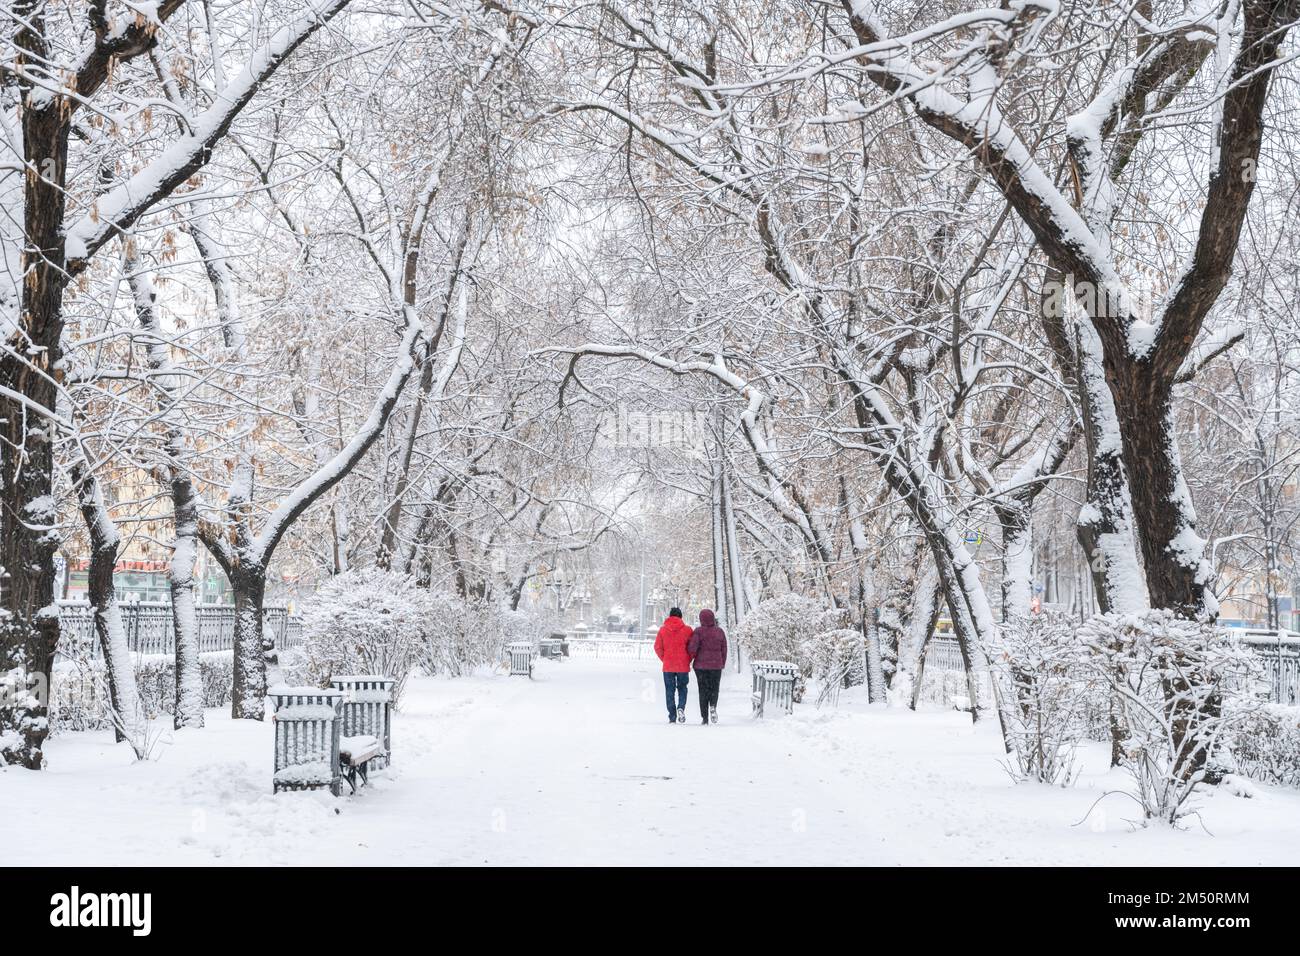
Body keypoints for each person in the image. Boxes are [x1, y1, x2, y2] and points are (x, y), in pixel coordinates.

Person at [654, 607, 693, 723]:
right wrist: (688, 659)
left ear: (669, 616)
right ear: (681, 617)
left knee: (669, 690)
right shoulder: (688, 630)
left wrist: (665, 658)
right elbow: (692, 648)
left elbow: (657, 647)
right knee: (682, 688)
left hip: (668, 665)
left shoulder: (662, 630)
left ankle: (672, 715)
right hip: (682, 665)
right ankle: (681, 707)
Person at [687, 608, 727, 725]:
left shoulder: (698, 631)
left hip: (701, 666)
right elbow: (724, 649)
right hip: (716, 666)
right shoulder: (719, 631)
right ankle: (713, 705)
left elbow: (692, 648)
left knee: (703, 691)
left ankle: (704, 718)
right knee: (714, 688)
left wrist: (691, 658)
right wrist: (721, 663)